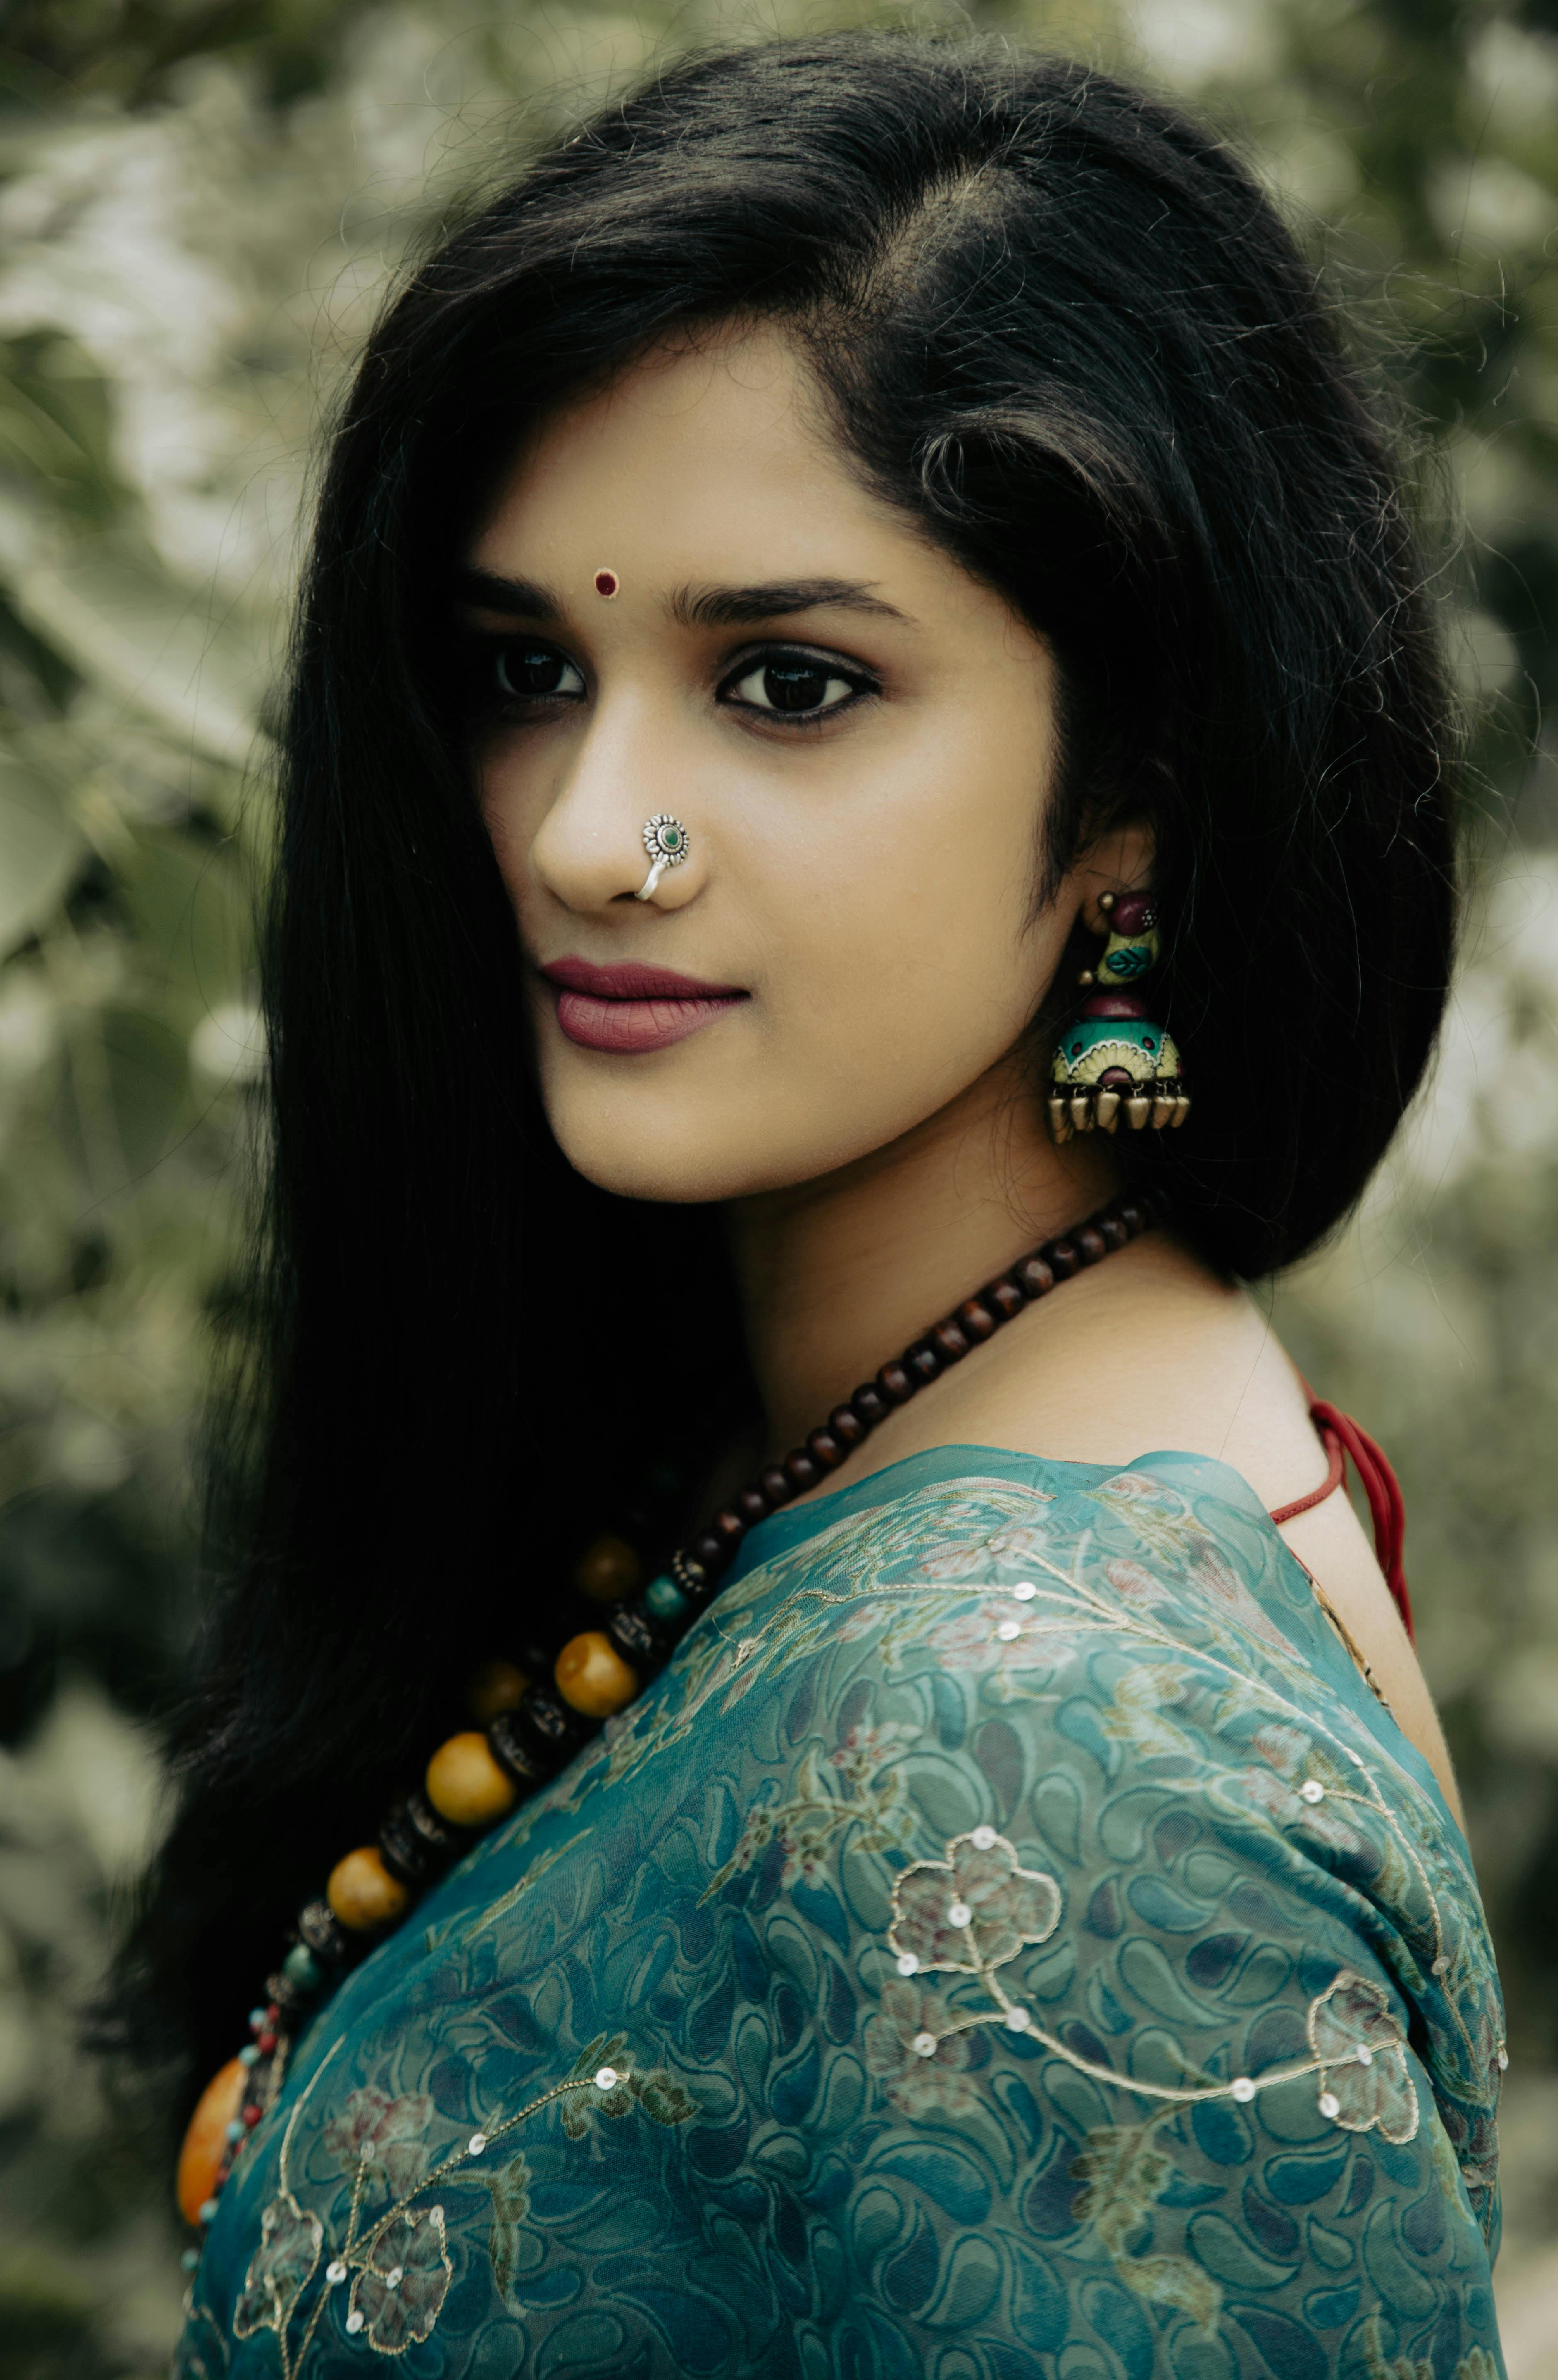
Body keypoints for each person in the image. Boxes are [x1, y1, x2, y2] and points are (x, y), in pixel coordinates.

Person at [140, 33, 1504, 2377]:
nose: (585, 832)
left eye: (786, 680)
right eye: (520, 673)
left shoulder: (1045, 1753)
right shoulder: (829, 1441)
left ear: (1137, 798)